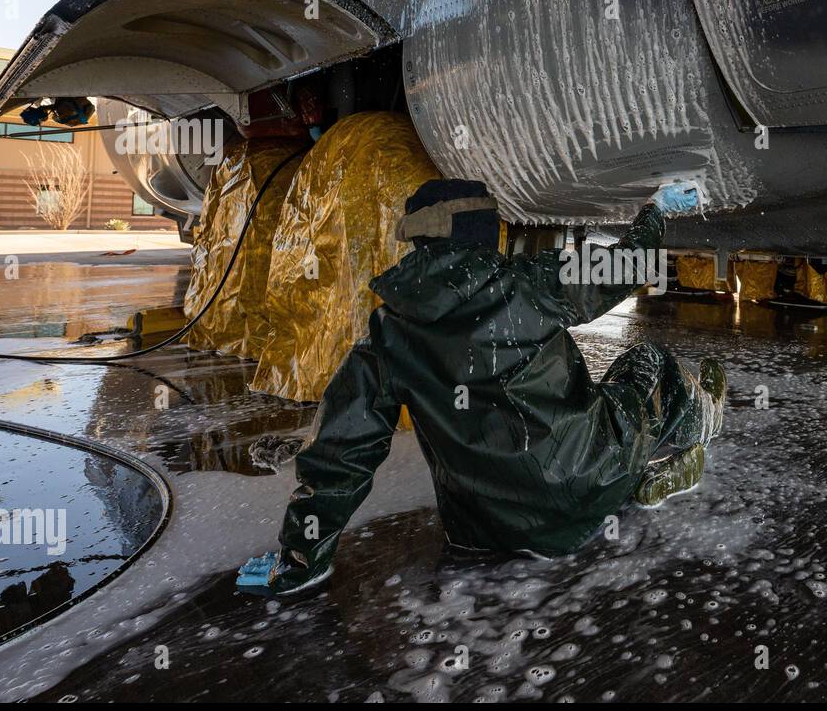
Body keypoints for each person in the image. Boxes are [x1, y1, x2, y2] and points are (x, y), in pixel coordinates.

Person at [238, 178, 725, 595]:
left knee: (610, 408)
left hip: (481, 530)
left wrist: (302, 556)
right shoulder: (534, 281)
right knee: (647, 364)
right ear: (485, 231)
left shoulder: (388, 331)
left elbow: (341, 452)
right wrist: (656, 211)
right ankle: (701, 415)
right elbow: (630, 266)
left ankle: (636, 477)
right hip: (581, 488)